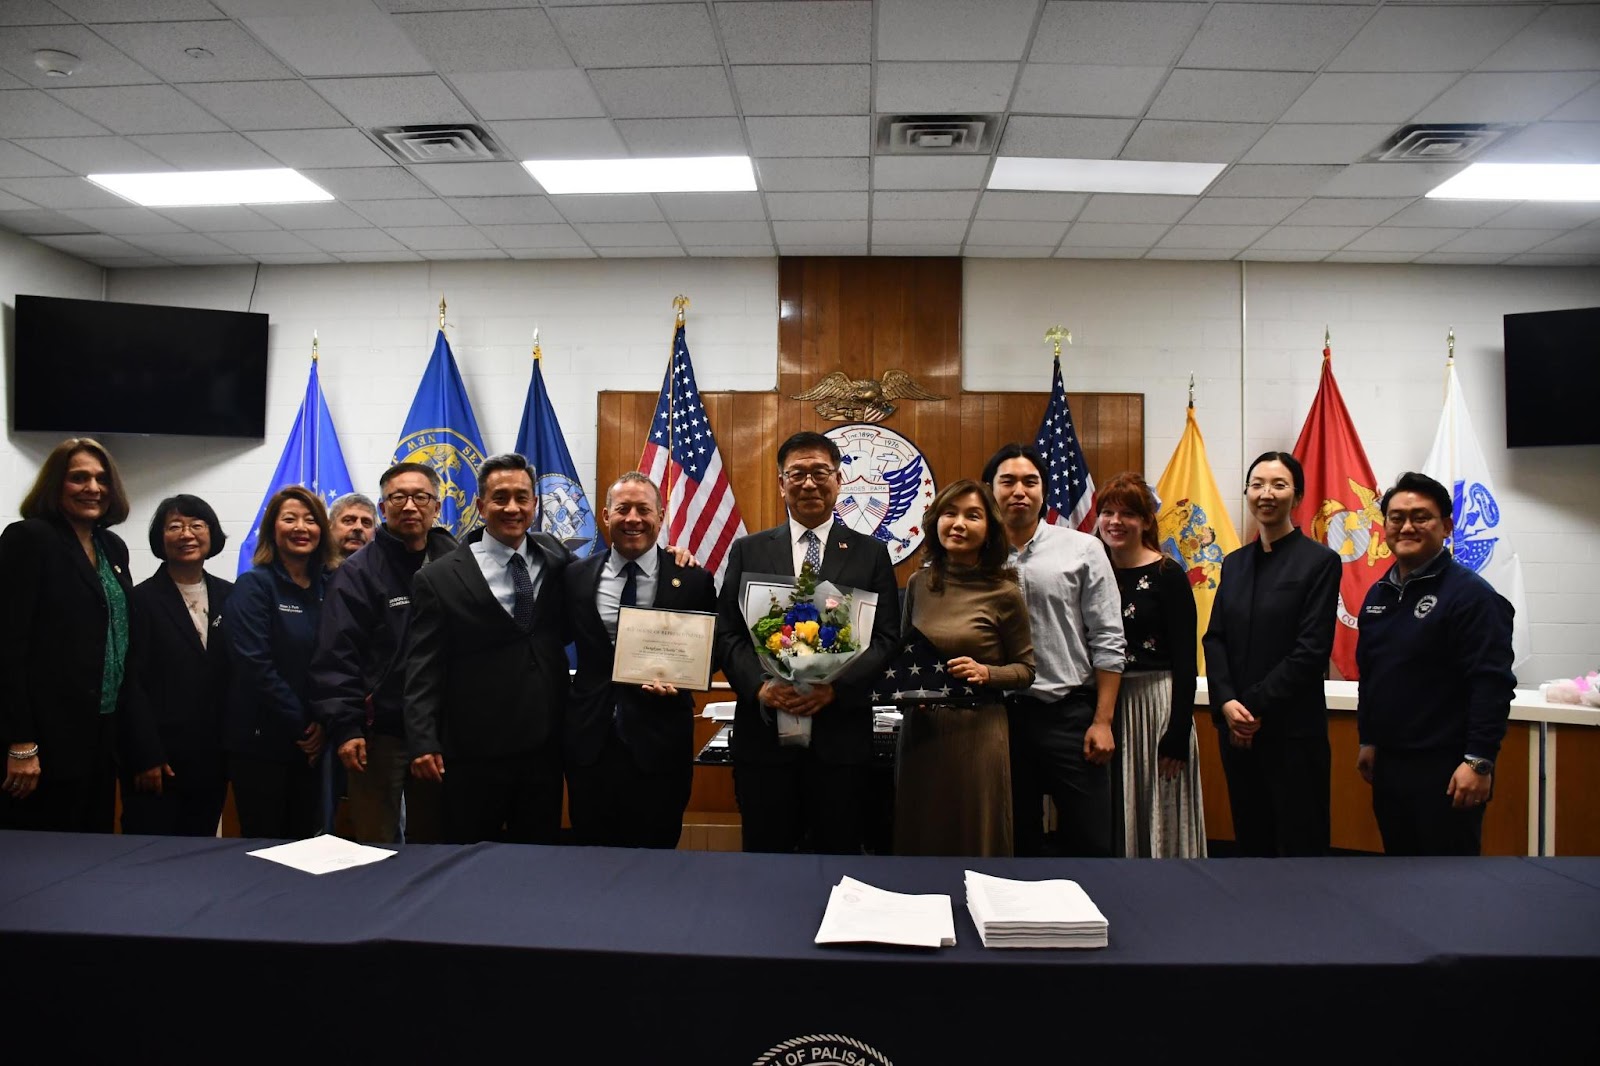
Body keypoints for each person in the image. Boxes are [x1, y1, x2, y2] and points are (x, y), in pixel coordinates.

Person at [714, 431, 900, 855]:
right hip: (764, 740)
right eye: (797, 474)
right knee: (766, 857)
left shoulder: (871, 554)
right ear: (781, 483)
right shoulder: (749, 550)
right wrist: (760, 687)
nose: (809, 483)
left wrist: (835, 689)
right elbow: (728, 633)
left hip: (840, 738)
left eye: (820, 472)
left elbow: (887, 637)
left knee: (838, 854)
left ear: (838, 480)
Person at [404, 453, 572, 845]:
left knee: (538, 860)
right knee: (466, 861)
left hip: (543, 750)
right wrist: (422, 738)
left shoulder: (557, 558)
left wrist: (674, 557)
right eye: (500, 498)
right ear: (480, 506)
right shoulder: (439, 577)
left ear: (535, 504)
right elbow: (422, 666)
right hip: (471, 753)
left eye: (521, 497)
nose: (511, 508)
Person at [0, 438, 158, 832]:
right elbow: (7, 647)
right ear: (55, 484)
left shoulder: (112, 547)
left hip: (101, 738)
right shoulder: (29, 539)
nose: (93, 488)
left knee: (90, 856)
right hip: (43, 743)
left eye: (102, 479)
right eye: (79, 478)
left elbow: (122, 647)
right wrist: (21, 743)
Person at [1356, 472, 1515, 856]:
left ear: (1445, 526)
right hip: (1390, 768)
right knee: (1399, 878)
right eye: (1396, 517)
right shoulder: (1379, 593)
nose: (1406, 526)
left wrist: (1479, 762)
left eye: (1420, 516)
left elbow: (1490, 684)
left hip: (1447, 771)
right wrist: (1369, 737)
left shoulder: (1472, 597)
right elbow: (1373, 674)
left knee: (1448, 890)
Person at [984, 443, 1125, 858]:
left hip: (1069, 717)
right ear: (989, 489)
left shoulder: (1082, 549)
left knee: (1089, 840)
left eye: (1031, 481)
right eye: (1007, 481)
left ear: (1045, 491)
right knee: (1014, 841)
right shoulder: (972, 556)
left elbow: (1109, 639)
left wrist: (1103, 721)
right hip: (1000, 718)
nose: (1019, 491)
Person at [564, 472, 716, 848]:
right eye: (622, 509)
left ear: (661, 517)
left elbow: (711, 651)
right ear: (605, 516)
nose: (633, 518)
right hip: (591, 743)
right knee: (590, 856)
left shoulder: (693, 579)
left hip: (660, 743)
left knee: (657, 857)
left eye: (644, 509)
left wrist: (680, 678)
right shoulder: (575, 576)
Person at [1202, 451, 1340, 857]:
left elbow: (1310, 651)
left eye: (1279, 485)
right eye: (1257, 484)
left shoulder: (1320, 562)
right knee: (1251, 846)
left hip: (1292, 734)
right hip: (1238, 734)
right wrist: (1227, 703)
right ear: (1246, 492)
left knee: (1299, 850)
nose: (1266, 493)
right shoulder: (1235, 563)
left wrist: (1251, 707)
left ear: (1296, 497)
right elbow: (1215, 640)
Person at [311, 463, 456, 844]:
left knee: (437, 843)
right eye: (398, 497)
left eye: (420, 497)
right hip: (379, 736)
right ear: (383, 507)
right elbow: (336, 656)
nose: (410, 506)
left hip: (444, 730)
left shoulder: (458, 563)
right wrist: (346, 726)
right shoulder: (358, 573)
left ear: (437, 507)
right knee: (376, 845)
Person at [895, 479, 1034, 857]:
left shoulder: (1005, 591)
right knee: (921, 833)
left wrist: (988, 673)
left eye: (972, 516)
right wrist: (909, 696)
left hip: (980, 733)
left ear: (989, 528)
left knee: (977, 837)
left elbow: (1026, 670)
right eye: (949, 514)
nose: (958, 524)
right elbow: (907, 660)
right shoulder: (919, 583)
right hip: (922, 733)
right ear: (935, 522)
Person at [1094, 473, 1205, 858]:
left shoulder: (1168, 574)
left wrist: (1177, 730)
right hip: (1104, 704)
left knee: (1158, 810)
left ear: (1146, 521)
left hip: (1155, 705)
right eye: (1107, 512)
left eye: (1128, 513)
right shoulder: (1092, 570)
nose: (1115, 521)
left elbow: (1187, 660)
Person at [224, 485, 332, 839]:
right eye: (290, 519)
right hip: (263, 743)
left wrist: (322, 720)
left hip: (316, 741)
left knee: (306, 845)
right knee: (265, 846)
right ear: (273, 529)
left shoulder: (330, 586)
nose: (301, 527)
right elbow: (256, 664)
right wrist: (304, 725)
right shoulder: (254, 585)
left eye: (310, 519)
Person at [124, 495, 233, 837]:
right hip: (159, 759)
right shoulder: (140, 599)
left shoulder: (232, 595)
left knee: (200, 852)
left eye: (197, 526)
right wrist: (145, 754)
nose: (187, 534)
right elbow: (130, 682)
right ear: (160, 538)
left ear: (211, 535)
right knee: (149, 851)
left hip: (213, 755)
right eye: (175, 527)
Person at [329, 492, 377, 566]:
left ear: (375, 532)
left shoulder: (385, 572)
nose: (358, 527)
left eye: (366, 523)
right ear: (329, 525)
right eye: (348, 521)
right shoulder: (310, 570)